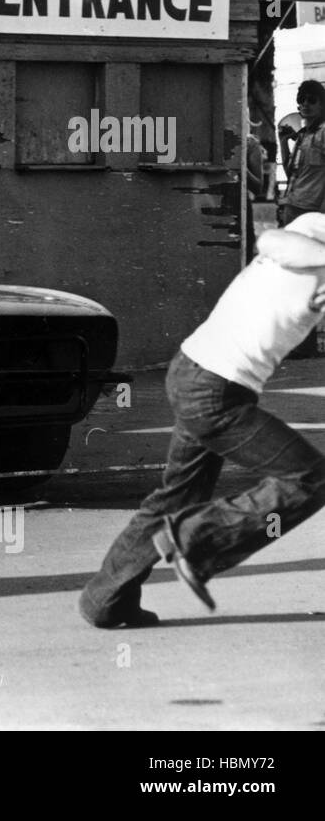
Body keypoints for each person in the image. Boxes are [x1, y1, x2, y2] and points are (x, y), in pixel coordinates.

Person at [79, 213, 325, 628]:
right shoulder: (312, 229)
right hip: (214, 390)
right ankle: (195, 541)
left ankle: (105, 599)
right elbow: (271, 241)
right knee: (309, 477)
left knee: (176, 496)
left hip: (198, 373)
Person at [278, 80, 325, 224]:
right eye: (302, 99)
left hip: (313, 211)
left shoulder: (323, 133)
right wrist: (283, 142)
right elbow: (291, 173)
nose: (305, 104)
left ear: (322, 105)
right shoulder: (302, 136)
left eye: (311, 100)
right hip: (292, 206)